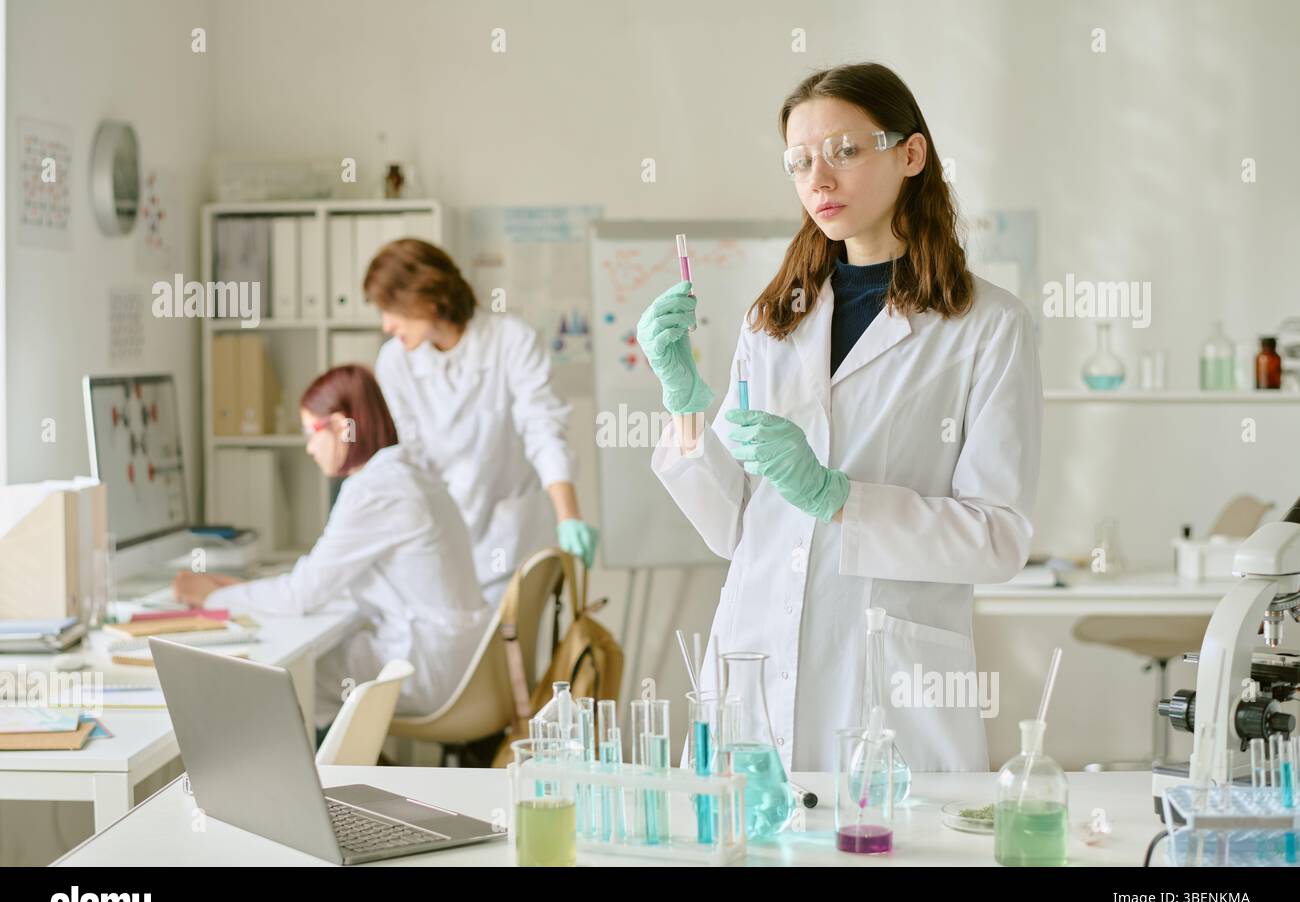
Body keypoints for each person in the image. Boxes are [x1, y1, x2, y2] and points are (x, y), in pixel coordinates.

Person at [637, 62, 1043, 773]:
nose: (818, 180)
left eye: (844, 151)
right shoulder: (772, 322)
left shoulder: (988, 325)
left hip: (888, 680)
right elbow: (735, 527)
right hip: (756, 658)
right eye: (799, 162)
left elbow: (999, 539)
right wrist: (682, 403)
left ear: (910, 154)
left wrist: (838, 498)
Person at [172, 365, 489, 733]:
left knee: (283, 677)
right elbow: (328, 583)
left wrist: (211, 598)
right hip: (458, 661)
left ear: (341, 426)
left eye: (311, 432)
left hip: (429, 669)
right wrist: (236, 591)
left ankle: (311, 786)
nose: (308, 448)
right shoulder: (408, 473)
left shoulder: (374, 489)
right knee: (309, 667)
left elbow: (301, 595)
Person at [365, 239, 598, 608]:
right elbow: (409, 455)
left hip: (512, 538)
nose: (387, 324)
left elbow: (543, 428)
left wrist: (569, 516)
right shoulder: (394, 362)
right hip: (441, 537)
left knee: (517, 657)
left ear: (427, 295)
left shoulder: (511, 340)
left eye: (391, 309)